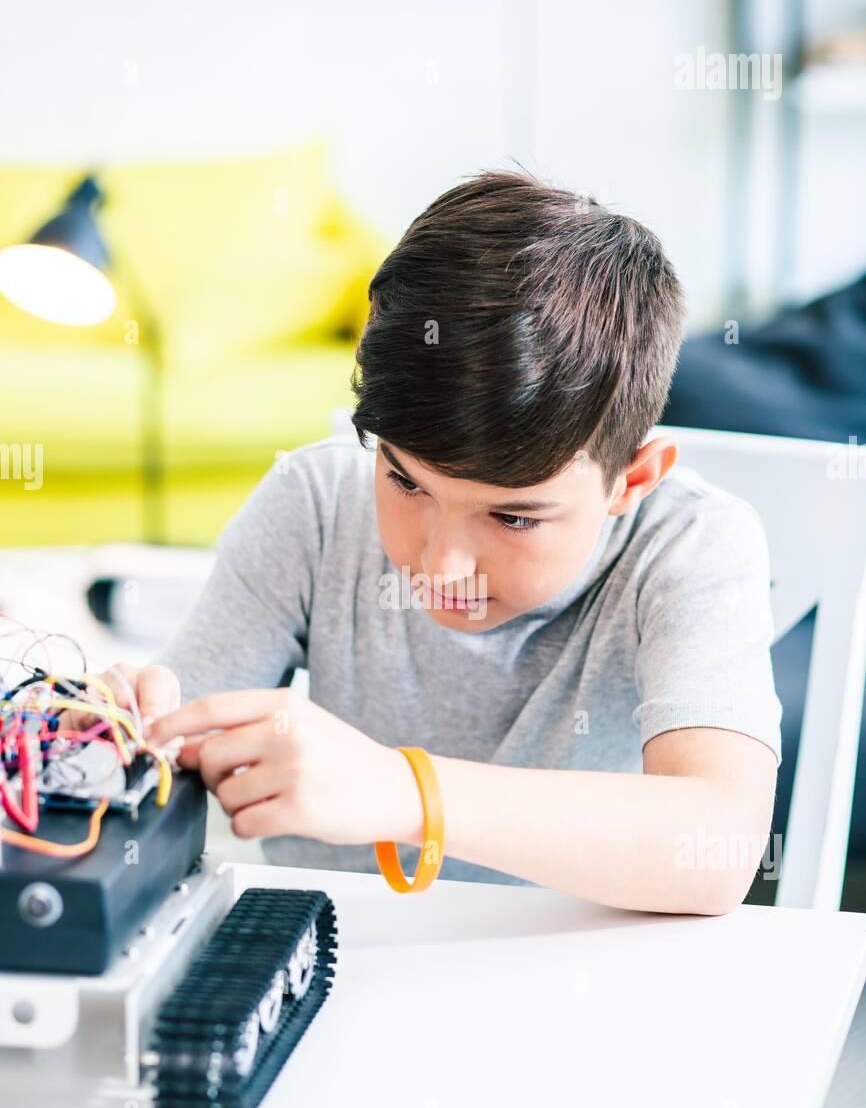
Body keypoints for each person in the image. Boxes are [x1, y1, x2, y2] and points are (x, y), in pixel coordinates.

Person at [83, 171, 783, 912]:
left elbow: (720, 846)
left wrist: (408, 790)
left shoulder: (692, 544)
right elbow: (170, 739)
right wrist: (116, 736)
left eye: (513, 518)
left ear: (631, 482)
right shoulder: (315, 502)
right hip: (326, 958)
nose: (440, 565)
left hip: (580, 973)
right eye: (406, 481)